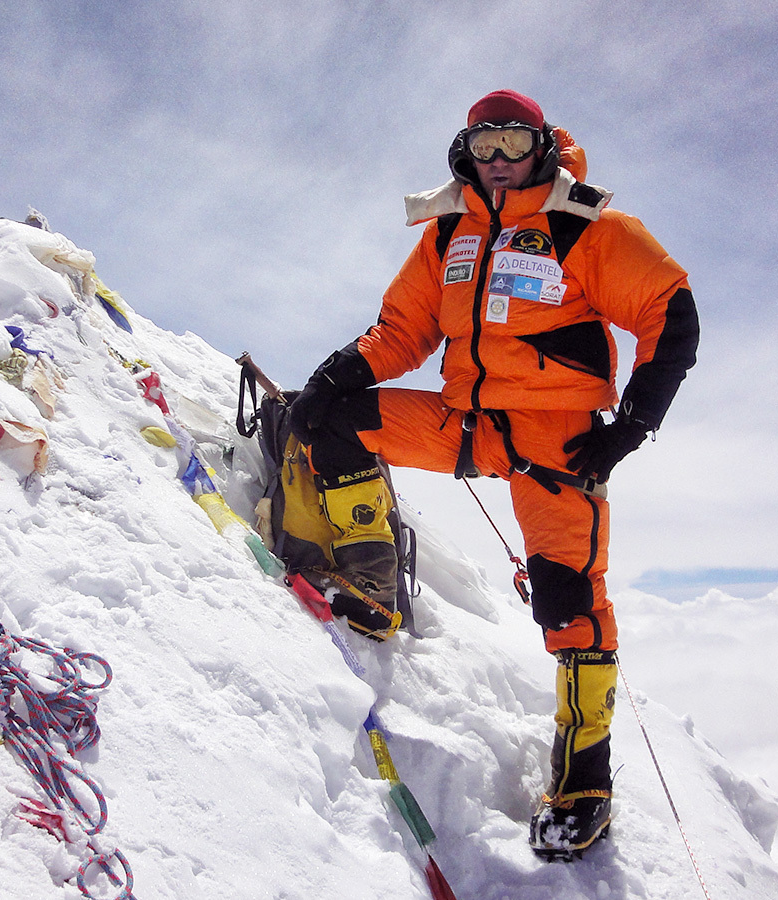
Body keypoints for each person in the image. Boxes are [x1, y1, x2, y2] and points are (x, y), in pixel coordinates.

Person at [289, 89, 698, 857]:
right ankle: (372, 585)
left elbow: (670, 311)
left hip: (558, 444)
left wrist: (634, 424)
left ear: (542, 144)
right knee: (334, 422)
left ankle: (584, 785)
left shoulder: (586, 228)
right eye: (486, 145)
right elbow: (403, 328)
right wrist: (340, 370)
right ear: (465, 151)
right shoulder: (450, 233)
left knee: (569, 601)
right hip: (468, 424)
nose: (501, 161)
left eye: (514, 142)